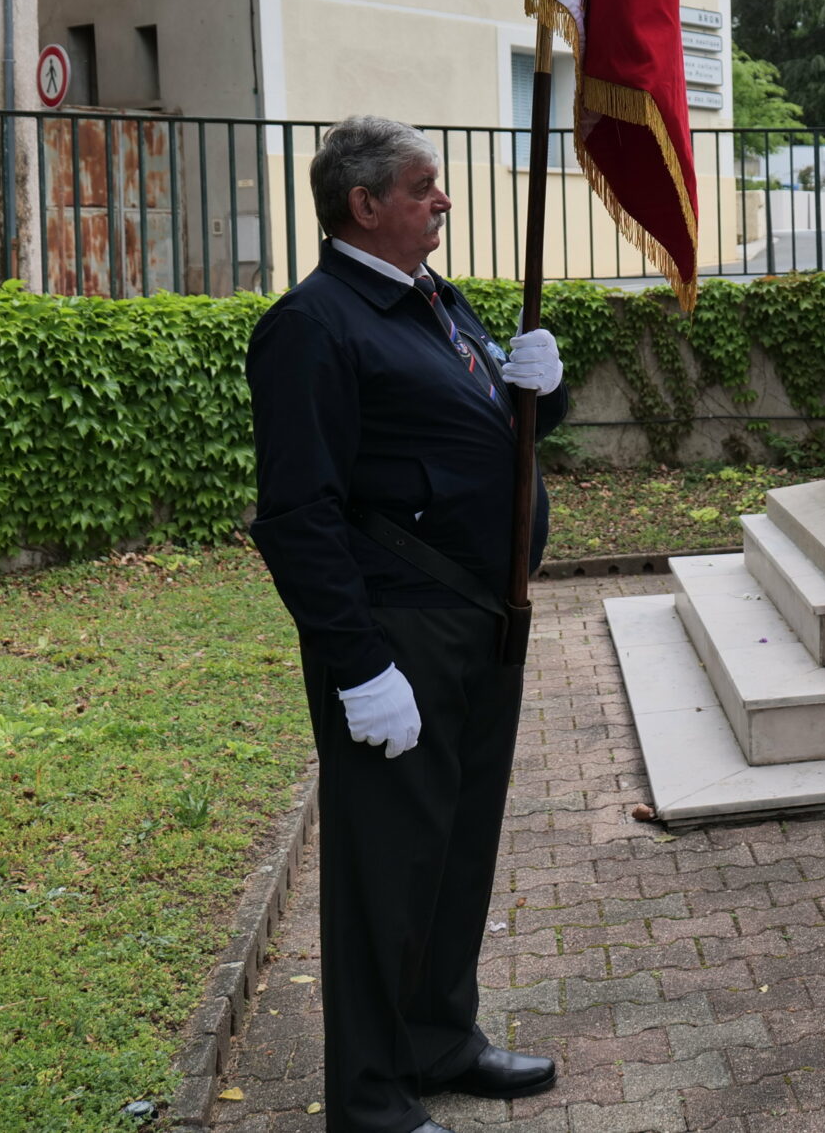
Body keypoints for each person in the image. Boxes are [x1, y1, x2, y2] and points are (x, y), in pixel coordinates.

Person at [247, 117, 570, 1133]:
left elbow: (486, 430)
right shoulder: (315, 323)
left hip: (483, 620)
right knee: (385, 864)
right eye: (425, 187)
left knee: (458, 846)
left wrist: (542, 396)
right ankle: (370, 1093)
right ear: (366, 204)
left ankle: (437, 1037)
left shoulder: (434, 301)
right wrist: (358, 666)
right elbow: (296, 517)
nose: (442, 201)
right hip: (401, 633)